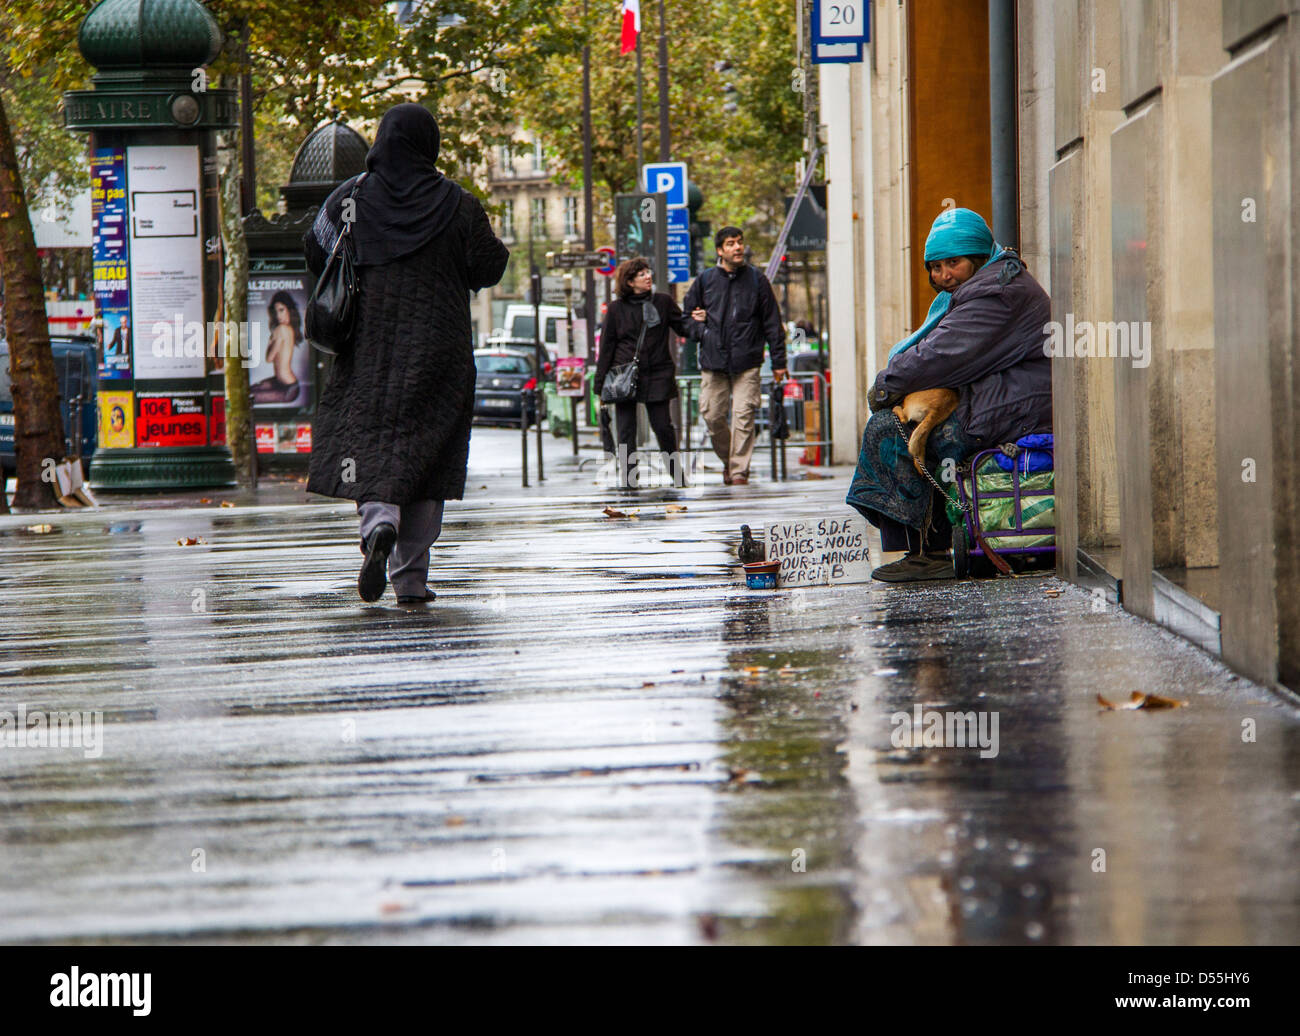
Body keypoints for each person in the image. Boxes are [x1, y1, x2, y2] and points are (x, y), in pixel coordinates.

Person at [304, 103, 509, 604]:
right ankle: (411, 577)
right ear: (429, 144)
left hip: (369, 350)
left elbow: (314, 247)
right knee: (429, 454)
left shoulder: (350, 198)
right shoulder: (457, 203)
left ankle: (379, 523)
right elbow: (490, 265)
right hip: (441, 350)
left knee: (372, 445)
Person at [846, 208, 1051, 583]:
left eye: (953, 263)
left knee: (890, 431)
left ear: (976, 257)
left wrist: (885, 386)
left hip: (1016, 404)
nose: (943, 276)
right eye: (936, 267)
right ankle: (924, 547)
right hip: (1001, 397)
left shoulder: (998, 293)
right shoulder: (990, 283)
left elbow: (942, 354)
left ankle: (932, 550)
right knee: (891, 425)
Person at [683, 226, 787, 485]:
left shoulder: (756, 280)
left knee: (744, 416)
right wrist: (702, 331)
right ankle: (730, 461)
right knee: (712, 416)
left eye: (740, 242)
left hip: (747, 362)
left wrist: (779, 362)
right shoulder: (705, 281)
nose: (738, 247)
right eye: (731, 243)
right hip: (713, 362)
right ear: (720, 251)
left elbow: (773, 323)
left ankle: (739, 471)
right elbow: (685, 319)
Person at [594, 258, 687, 487]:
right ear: (629, 281)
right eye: (641, 273)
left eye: (648, 272)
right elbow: (606, 347)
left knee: (664, 428)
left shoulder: (662, 302)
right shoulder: (616, 309)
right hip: (624, 377)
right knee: (626, 432)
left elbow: (683, 326)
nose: (648, 276)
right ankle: (629, 481)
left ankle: (678, 477)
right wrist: (599, 386)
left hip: (657, 374)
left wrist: (699, 320)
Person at [252, 291, 304, 405]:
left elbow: (269, 358)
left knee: (249, 397)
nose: (278, 316)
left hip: (288, 389)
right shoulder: (289, 328)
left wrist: (270, 342)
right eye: (276, 312)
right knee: (249, 392)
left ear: (289, 310)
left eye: (281, 310)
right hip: (282, 382)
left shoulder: (281, 329)